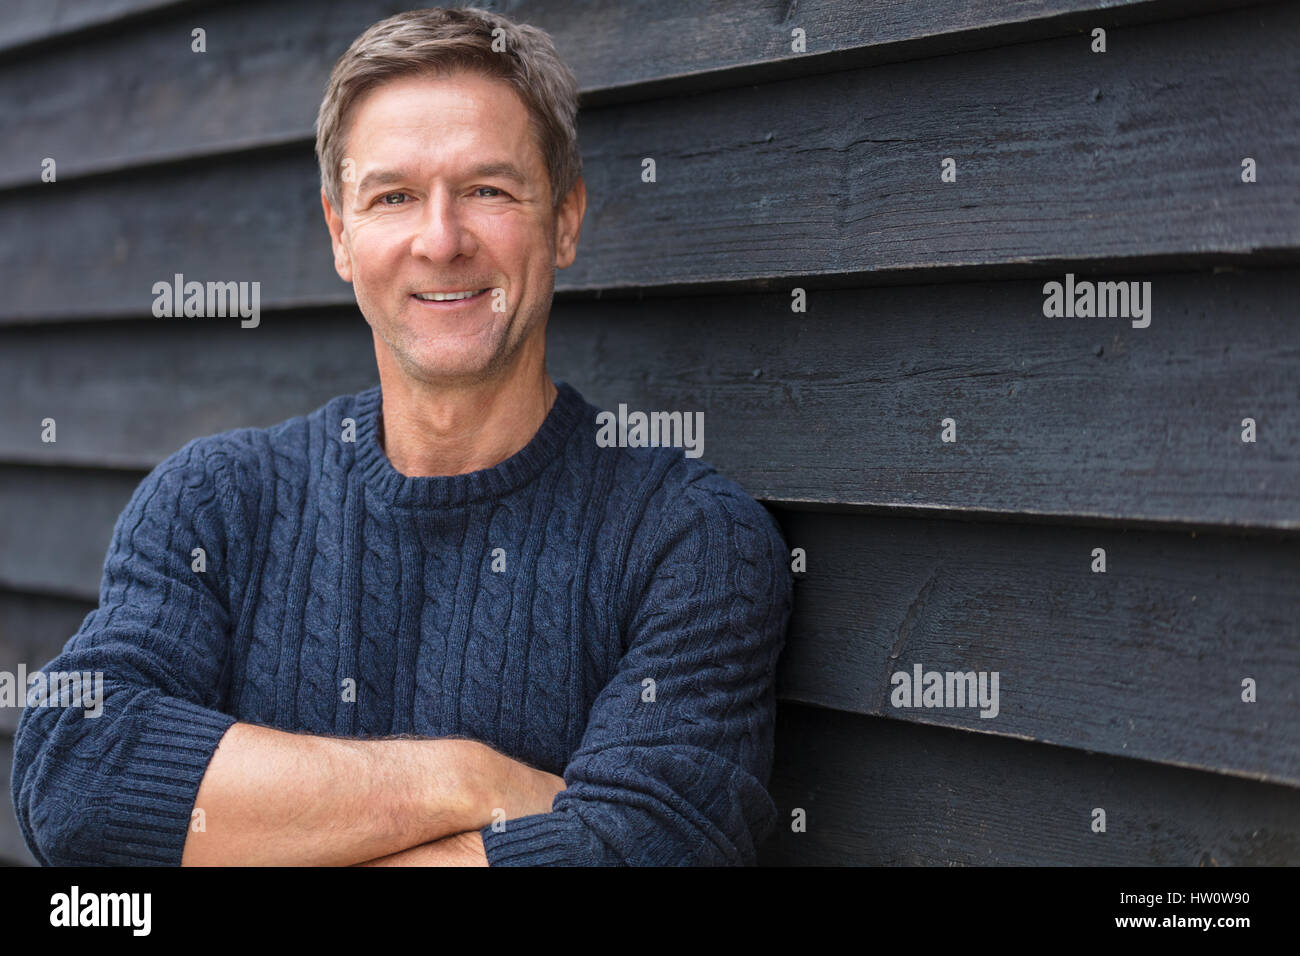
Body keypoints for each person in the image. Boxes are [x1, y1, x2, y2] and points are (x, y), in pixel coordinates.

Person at [10, 6, 792, 867]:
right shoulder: (214, 504)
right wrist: (465, 780)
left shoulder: (687, 539)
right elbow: (76, 772)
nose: (441, 239)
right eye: (394, 196)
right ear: (341, 234)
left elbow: (641, 848)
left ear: (565, 219)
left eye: (488, 190)